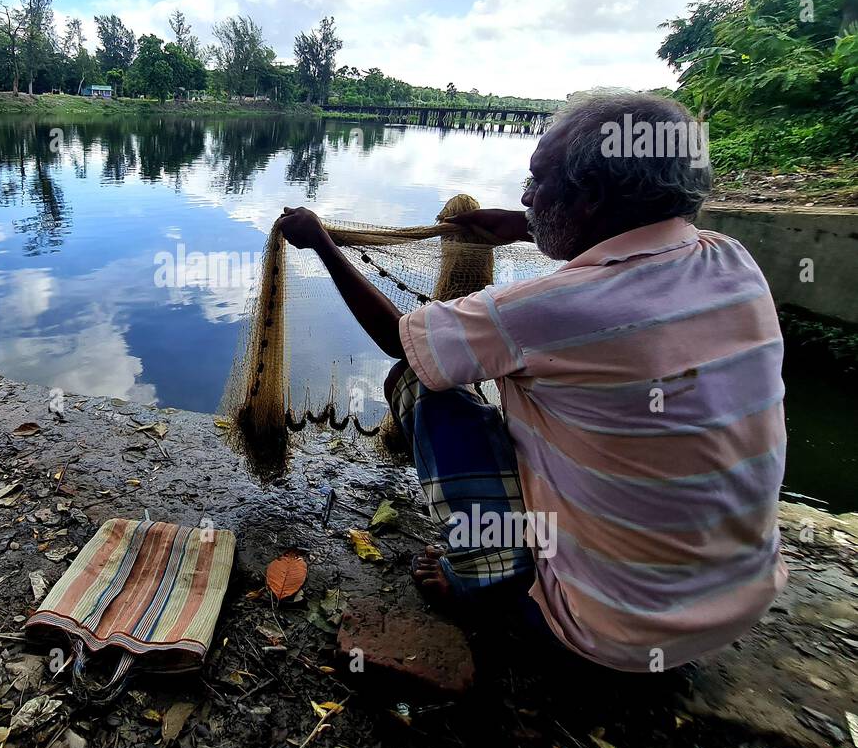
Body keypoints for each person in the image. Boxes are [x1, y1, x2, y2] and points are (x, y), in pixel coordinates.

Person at [277, 91, 787, 672]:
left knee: (423, 388)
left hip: (602, 634)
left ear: (591, 197)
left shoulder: (555, 308)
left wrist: (321, 241)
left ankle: (485, 579)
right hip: (736, 606)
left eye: (537, 181)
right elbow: (623, 233)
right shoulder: (734, 262)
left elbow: (403, 344)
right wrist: (524, 225)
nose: (525, 195)